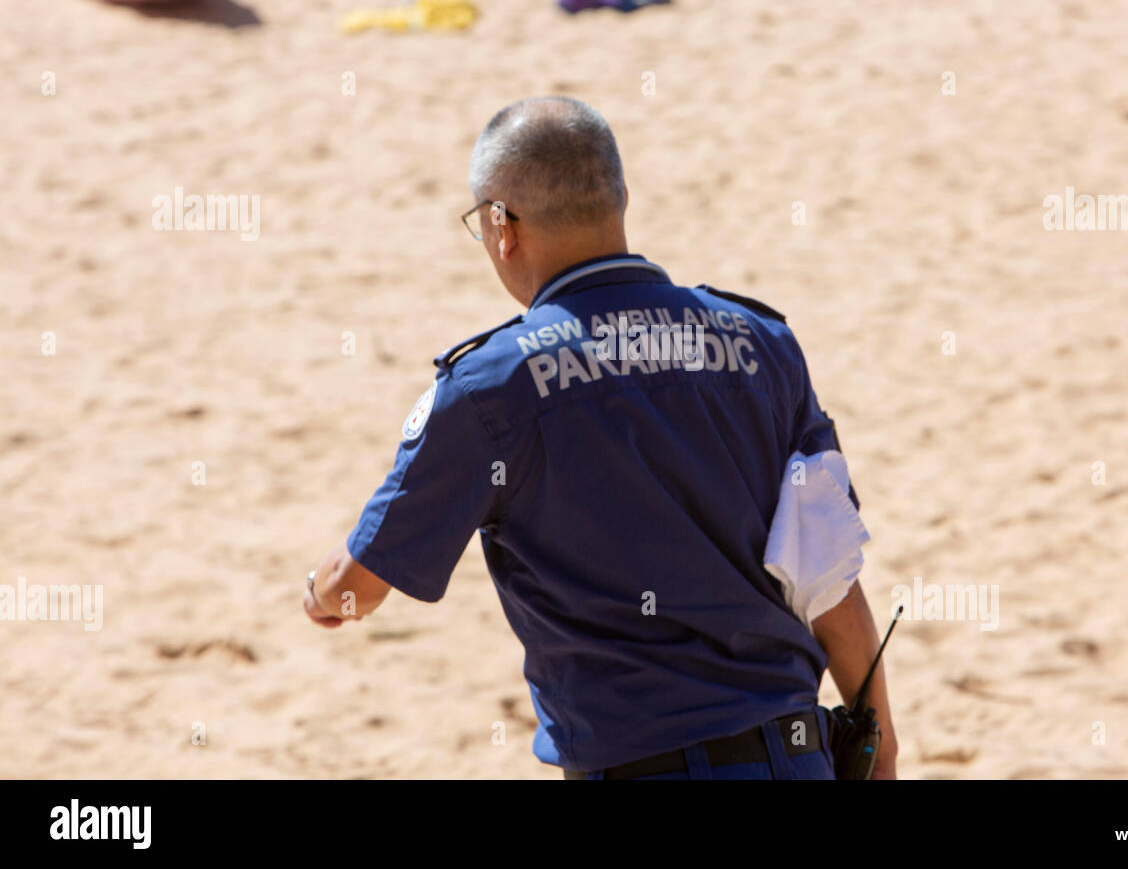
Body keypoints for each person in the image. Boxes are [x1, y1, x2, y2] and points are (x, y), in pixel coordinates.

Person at [301, 96, 898, 779]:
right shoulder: (763, 345)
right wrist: (879, 739)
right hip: (795, 755)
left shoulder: (491, 385)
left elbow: (361, 587)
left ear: (502, 225)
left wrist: (318, 592)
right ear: (619, 198)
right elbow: (829, 577)